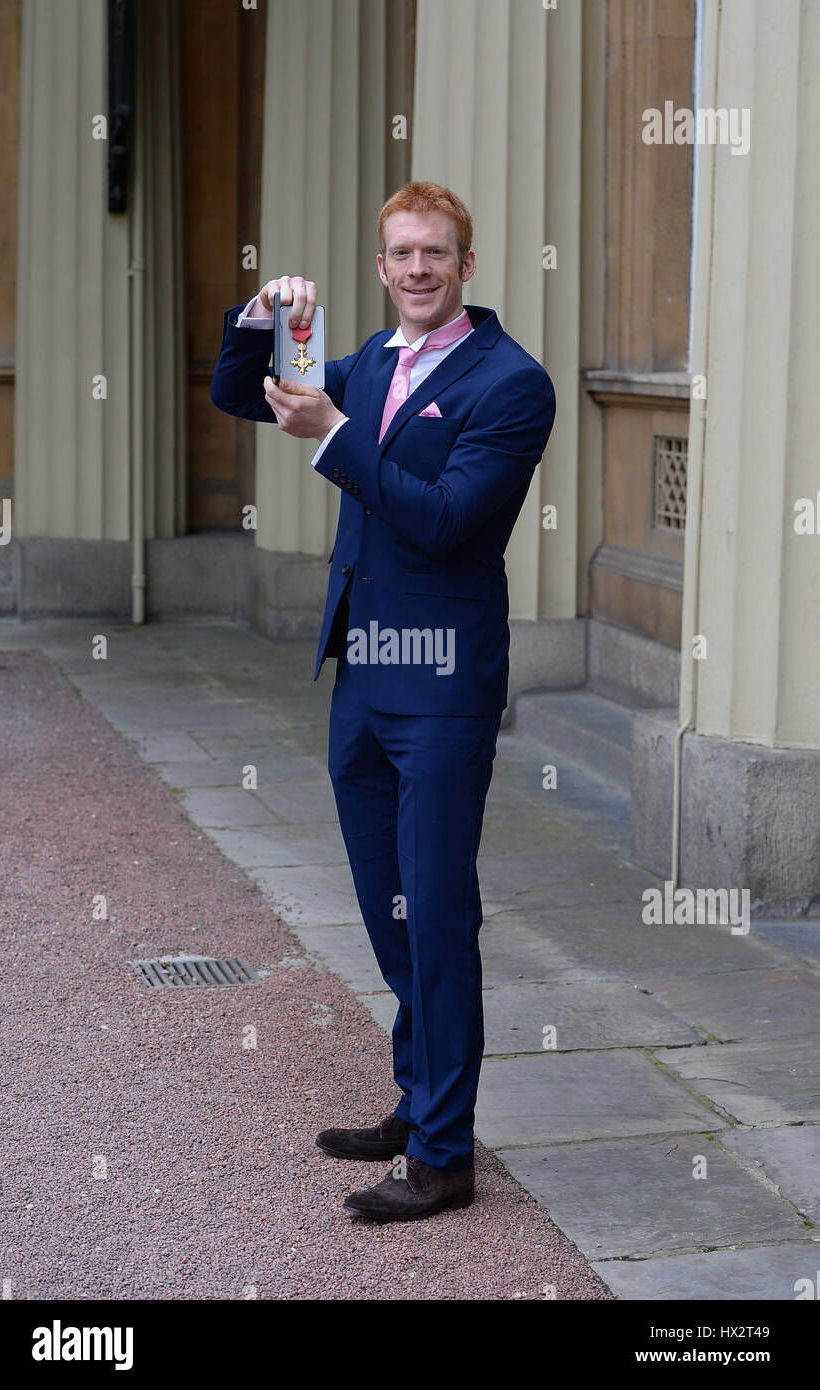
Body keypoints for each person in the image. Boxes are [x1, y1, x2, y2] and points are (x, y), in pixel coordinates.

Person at [211, 181, 555, 1223]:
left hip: (442, 683)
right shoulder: (363, 360)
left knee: (438, 910)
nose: (418, 269)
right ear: (380, 264)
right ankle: (420, 1097)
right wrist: (259, 321)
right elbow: (243, 395)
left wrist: (329, 434)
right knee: (386, 902)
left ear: (466, 266)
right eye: (402, 252)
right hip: (362, 675)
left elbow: (449, 521)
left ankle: (443, 1154)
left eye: (436, 254)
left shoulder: (511, 384)